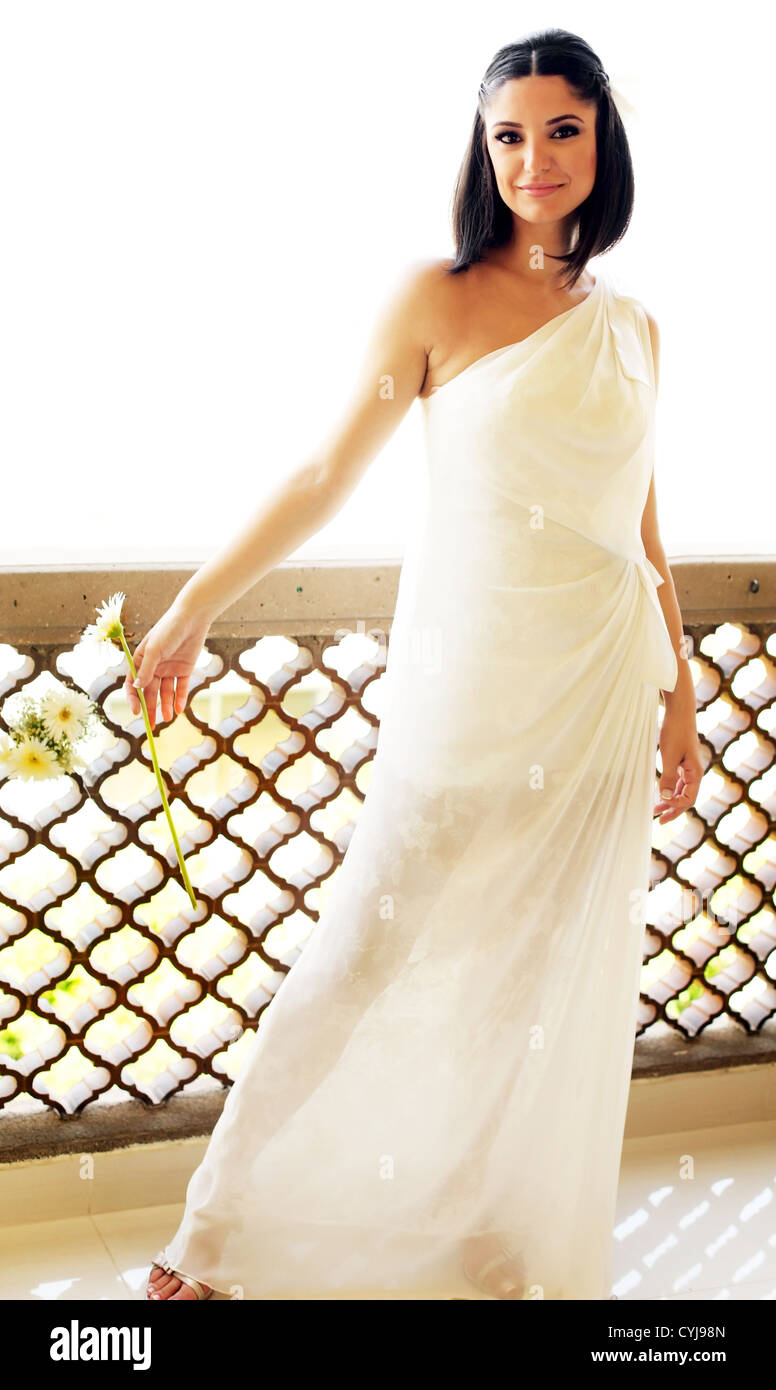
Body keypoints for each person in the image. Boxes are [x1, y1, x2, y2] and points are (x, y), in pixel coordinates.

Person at [131, 28, 702, 1301]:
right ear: (480, 148)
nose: (533, 158)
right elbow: (326, 473)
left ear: (600, 140)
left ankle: (494, 1240)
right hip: (472, 694)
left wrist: (679, 689)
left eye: (560, 129)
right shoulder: (435, 297)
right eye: (509, 133)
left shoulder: (637, 327)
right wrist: (190, 607)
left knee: (539, 983)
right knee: (358, 959)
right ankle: (213, 1240)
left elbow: (642, 520)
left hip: (600, 694)